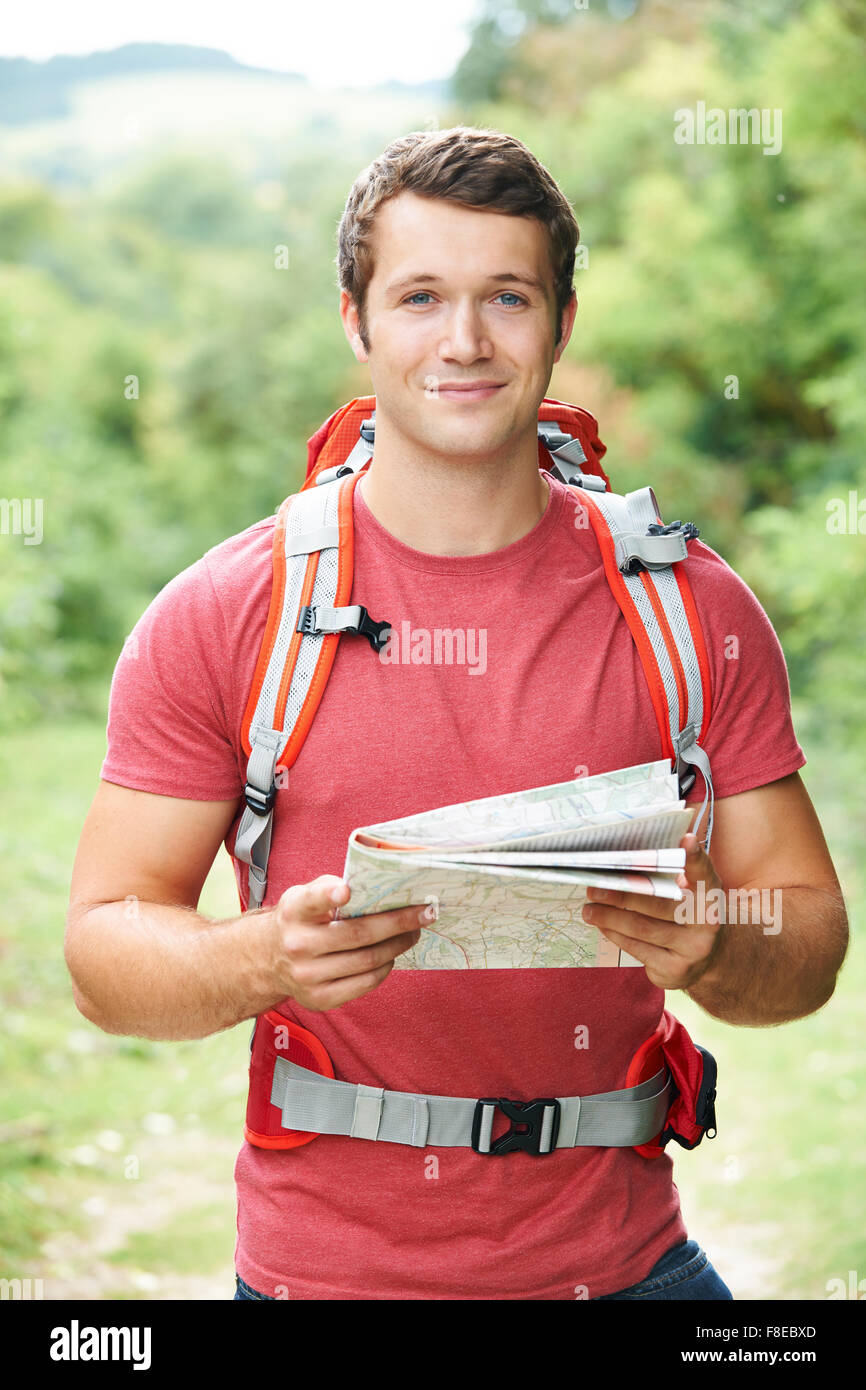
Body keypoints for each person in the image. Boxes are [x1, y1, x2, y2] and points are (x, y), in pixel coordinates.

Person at [65, 126, 848, 1302]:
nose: (465, 341)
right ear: (355, 318)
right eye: (420, 295)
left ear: (561, 323)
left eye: (506, 296)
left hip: (627, 1269)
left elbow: (810, 941)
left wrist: (718, 941)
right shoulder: (231, 613)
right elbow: (104, 942)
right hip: (321, 1282)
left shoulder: (692, 612)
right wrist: (258, 955)